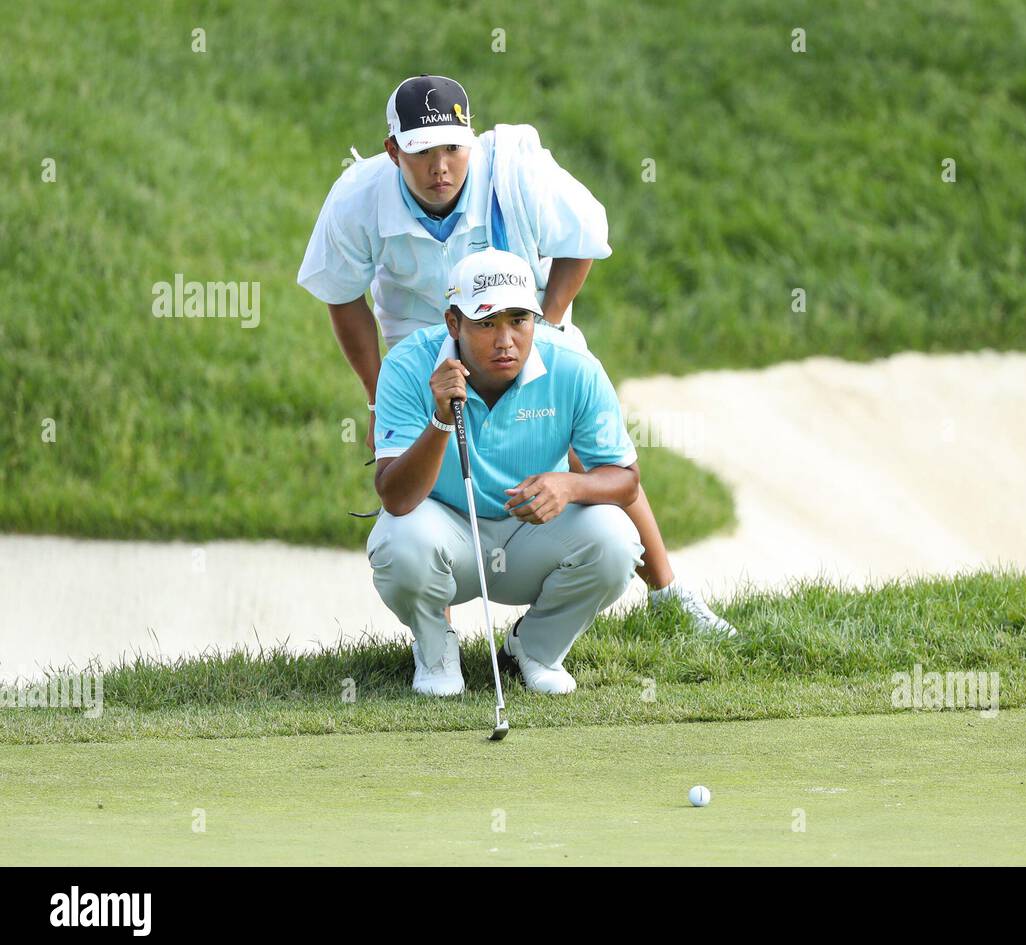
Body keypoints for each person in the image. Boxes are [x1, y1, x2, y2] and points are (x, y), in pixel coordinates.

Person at [297, 74, 736, 636]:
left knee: (587, 453)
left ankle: (669, 594)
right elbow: (341, 294)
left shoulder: (516, 174)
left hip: (521, 320)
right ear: (392, 151)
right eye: (422, 152)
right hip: (418, 335)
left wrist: (545, 330)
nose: (441, 168)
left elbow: (583, 241)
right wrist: (380, 396)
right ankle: (441, 640)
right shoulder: (358, 197)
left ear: (471, 141)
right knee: (429, 465)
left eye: (453, 148)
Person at [369, 250, 643, 695]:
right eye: (486, 322)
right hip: (448, 535)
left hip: (531, 537)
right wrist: (441, 420)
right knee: (398, 541)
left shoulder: (573, 367)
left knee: (616, 540)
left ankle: (534, 649)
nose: (505, 340)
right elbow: (395, 498)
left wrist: (570, 485)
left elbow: (626, 480)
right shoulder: (407, 366)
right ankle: (436, 652)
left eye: (519, 320)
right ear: (453, 324)